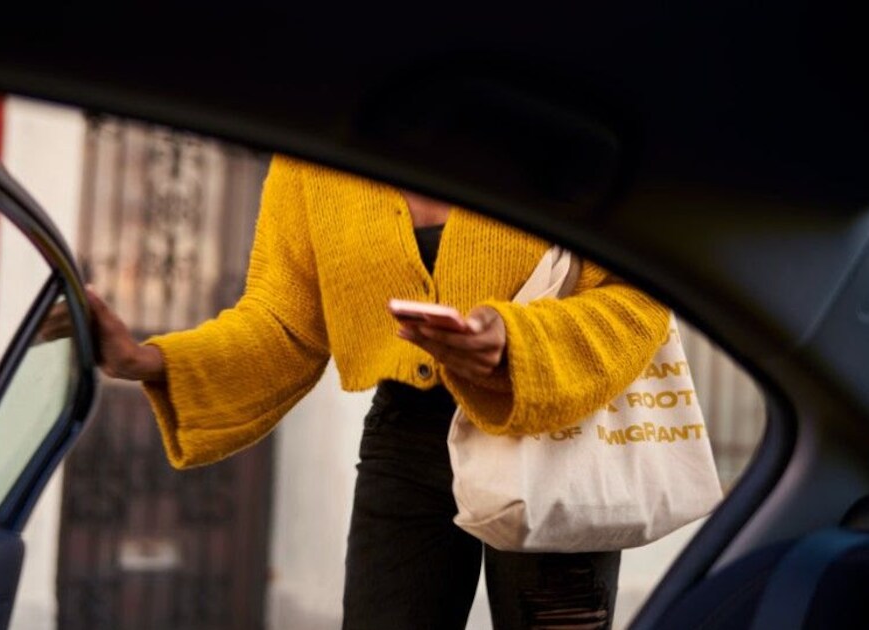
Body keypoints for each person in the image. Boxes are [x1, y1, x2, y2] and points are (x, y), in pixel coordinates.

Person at [75, 154, 670, 629]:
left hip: (553, 436)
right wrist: (146, 359)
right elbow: (283, 322)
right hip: (404, 443)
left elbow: (638, 295)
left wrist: (516, 344)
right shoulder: (315, 147)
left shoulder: (562, 129)